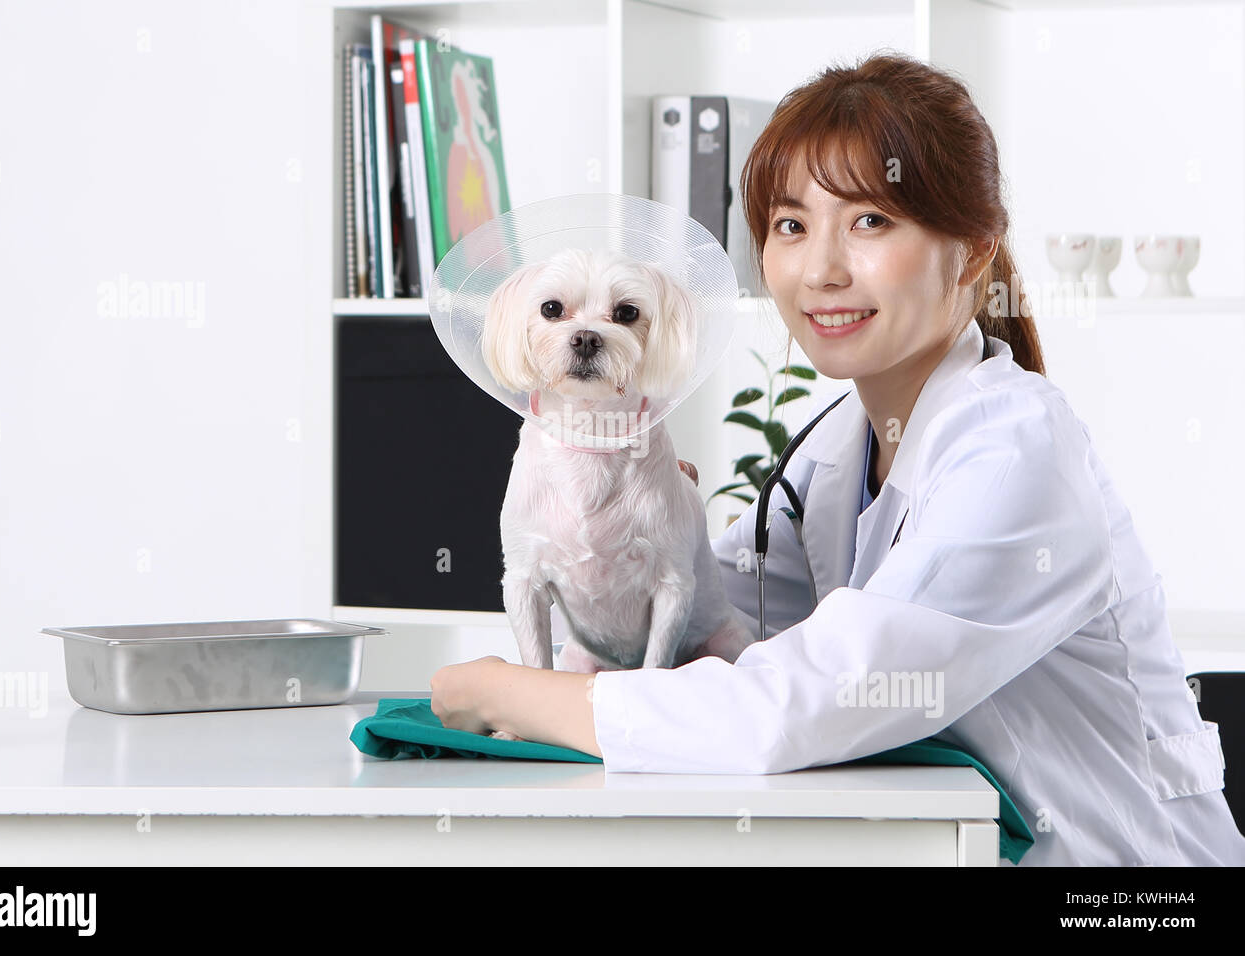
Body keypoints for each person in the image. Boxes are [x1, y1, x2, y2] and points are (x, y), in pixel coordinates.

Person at [430, 51, 1245, 865]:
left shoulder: (1015, 453)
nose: (819, 270)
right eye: (791, 225)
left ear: (971, 252)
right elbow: (729, 623)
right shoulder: (836, 446)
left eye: (868, 222)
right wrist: (633, 521)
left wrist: (523, 695)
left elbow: (806, 697)